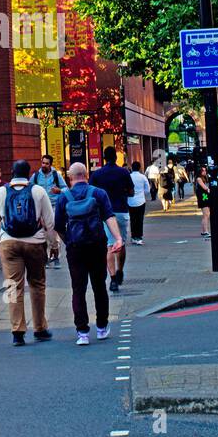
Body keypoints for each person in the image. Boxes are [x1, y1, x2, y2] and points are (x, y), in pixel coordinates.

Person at [0, 159, 58, 346]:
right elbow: (50, 223)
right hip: (35, 242)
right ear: (29, 173)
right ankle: (40, 328)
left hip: (9, 243)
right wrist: (53, 245)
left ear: (11, 172)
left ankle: (17, 331)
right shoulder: (38, 191)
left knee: (12, 286)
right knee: (37, 284)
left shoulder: (1, 192)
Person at [54, 162, 123, 345]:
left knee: (78, 289)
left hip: (75, 248)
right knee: (99, 286)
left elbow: (59, 227)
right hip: (97, 245)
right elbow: (109, 216)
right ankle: (101, 327)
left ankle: (82, 332)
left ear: (70, 177)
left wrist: (68, 241)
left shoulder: (63, 198)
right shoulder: (98, 193)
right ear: (86, 175)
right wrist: (118, 238)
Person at [90, 146, 134, 293]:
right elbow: (131, 192)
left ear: (104, 157)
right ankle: (120, 270)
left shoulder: (97, 174)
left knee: (109, 246)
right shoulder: (124, 172)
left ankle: (113, 278)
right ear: (116, 157)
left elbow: (91, 194)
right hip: (121, 211)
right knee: (120, 242)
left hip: (104, 214)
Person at [128, 161, 151, 246]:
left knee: (132, 219)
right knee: (140, 219)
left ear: (132, 167)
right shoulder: (143, 177)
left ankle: (133, 237)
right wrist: (141, 193)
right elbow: (147, 190)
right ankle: (139, 237)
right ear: (139, 168)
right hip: (141, 201)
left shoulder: (129, 177)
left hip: (130, 201)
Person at [194, 165, 212, 238]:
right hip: (203, 198)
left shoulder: (205, 178)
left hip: (206, 197)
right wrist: (210, 189)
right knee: (206, 215)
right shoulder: (199, 179)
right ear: (200, 172)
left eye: (205, 170)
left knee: (206, 215)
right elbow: (205, 187)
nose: (205, 172)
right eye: (203, 171)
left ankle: (204, 231)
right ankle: (205, 231)